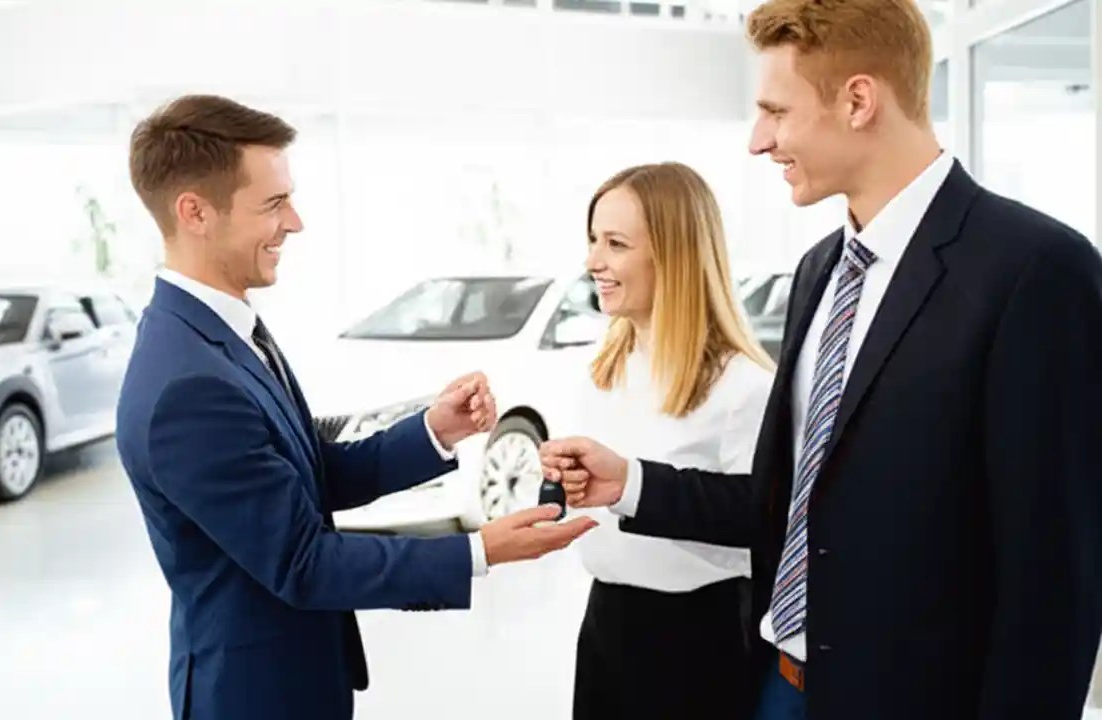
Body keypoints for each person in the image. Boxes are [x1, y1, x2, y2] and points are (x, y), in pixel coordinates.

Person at [540, 0, 1102, 718]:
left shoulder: (1034, 269)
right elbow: (785, 503)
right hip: (778, 682)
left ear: (858, 100)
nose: (757, 140)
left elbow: (1053, 577)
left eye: (776, 111)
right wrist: (630, 482)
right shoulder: (820, 271)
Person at [115, 94, 598, 720]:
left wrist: (433, 432)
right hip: (255, 695)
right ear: (195, 212)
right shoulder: (187, 384)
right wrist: (480, 550)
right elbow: (302, 561)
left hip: (296, 674)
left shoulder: (220, 332)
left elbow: (309, 471)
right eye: (273, 203)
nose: (295, 222)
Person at [568, 162, 774, 720]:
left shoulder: (744, 385)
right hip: (607, 624)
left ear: (673, 253)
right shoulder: (604, 367)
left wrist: (629, 483)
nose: (593, 262)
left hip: (696, 643)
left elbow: (758, 517)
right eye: (593, 240)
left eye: (615, 244)